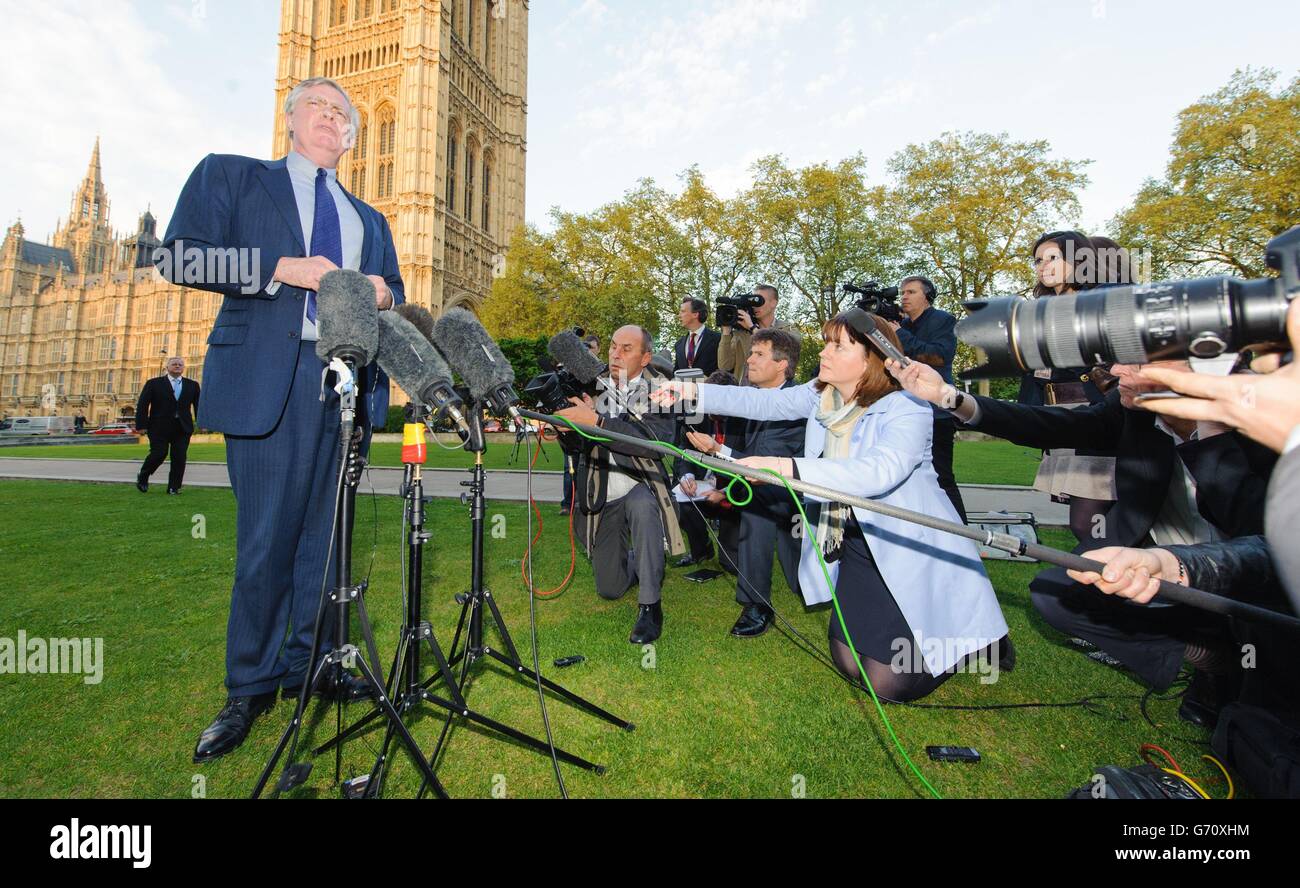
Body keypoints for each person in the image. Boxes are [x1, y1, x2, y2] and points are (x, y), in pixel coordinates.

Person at [156, 77, 403, 763]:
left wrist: (385, 292)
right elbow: (177, 256)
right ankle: (250, 686)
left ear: (354, 135)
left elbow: (397, 292)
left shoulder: (369, 220)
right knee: (266, 540)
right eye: (318, 107)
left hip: (344, 387)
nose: (331, 119)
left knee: (325, 543)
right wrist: (280, 268)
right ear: (289, 119)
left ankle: (312, 665)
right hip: (272, 375)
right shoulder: (234, 178)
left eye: (342, 114)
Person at [887, 355, 1276, 725]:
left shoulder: (1266, 422)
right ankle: (1209, 659)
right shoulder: (1129, 409)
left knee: (1262, 713)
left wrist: (1209, 434)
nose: (1117, 370)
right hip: (1155, 565)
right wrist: (948, 397)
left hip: (1255, 584)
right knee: (1056, 591)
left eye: (1138, 363)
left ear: (1204, 370)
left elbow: (1262, 536)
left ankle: (1244, 669)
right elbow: (1050, 423)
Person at [654, 312, 1010, 702]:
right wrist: (691, 392)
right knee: (848, 662)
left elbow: (878, 472)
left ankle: (971, 647)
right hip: (853, 538)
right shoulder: (822, 394)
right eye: (827, 342)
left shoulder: (907, 406)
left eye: (837, 345)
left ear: (872, 357)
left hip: (906, 539)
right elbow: (760, 402)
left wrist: (783, 467)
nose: (824, 351)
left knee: (887, 684)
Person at [557, 325, 686, 644]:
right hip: (604, 495)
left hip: (642, 488)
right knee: (609, 588)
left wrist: (598, 422)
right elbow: (579, 448)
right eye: (613, 346)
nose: (615, 353)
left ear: (645, 358)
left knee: (642, 506)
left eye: (626, 349)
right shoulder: (596, 389)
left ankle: (650, 605)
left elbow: (652, 443)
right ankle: (644, 560)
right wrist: (566, 430)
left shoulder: (661, 391)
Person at [683, 329, 805, 637]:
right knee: (754, 507)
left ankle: (789, 582)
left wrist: (717, 451)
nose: (748, 359)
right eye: (750, 352)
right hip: (762, 487)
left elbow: (763, 469)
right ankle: (756, 603)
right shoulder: (752, 400)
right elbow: (748, 460)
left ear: (782, 365)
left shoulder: (797, 403)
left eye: (758, 354)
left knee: (759, 510)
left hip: (798, 493)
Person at [1020, 231, 1117, 543]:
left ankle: (1112, 577)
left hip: (1094, 416)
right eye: (1038, 260)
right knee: (1087, 521)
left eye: (1053, 258)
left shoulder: (1099, 301)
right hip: (1059, 416)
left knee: (1090, 523)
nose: (1043, 266)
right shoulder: (1042, 308)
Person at [888, 275, 966, 522]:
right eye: (902, 293)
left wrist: (901, 334)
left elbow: (939, 357)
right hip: (905, 408)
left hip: (937, 411)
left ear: (927, 295)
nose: (904, 297)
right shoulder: (903, 325)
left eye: (911, 292)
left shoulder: (943, 320)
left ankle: (963, 532)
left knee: (942, 476)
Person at [673, 369, 745, 572]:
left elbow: (750, 465)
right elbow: (683, 451)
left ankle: (731, 544)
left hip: (734, 492)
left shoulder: (745, 422)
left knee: (730, 565)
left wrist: (723, 492)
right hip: (702, 487)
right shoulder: (695, 416)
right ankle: (701, 549)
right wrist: (687, 476)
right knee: (678, 500)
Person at [134, 356, 200, 495]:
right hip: (159, 426)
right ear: (167, 367)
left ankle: (174, 488)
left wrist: (202, 423)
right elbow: (143, 405)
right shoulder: (154, 383)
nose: (177, 366)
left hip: (182, 427)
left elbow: (198, 406)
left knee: (179, 457)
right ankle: (144, 475)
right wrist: (141, 425)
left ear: (183, 368)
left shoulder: (192, 385)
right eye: (174, 364)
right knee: (159, 453)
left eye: (180, 364)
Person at [717, 283, 793, 383]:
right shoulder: (741, 333)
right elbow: (725, 365)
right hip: (744, 392)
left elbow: (779, 353)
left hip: (773, 392)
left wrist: (752, 328)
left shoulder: (787, 329)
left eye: (758, 301)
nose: (754, 306)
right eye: (752, 302)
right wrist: (726, 331)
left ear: (773, 303)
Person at [673, 298, 720, 376]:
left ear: (695, 314)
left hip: (710, 387)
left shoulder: (718, 339)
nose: (679, 315)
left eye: (683, 311)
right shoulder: (679, 344)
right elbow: (676, 373)